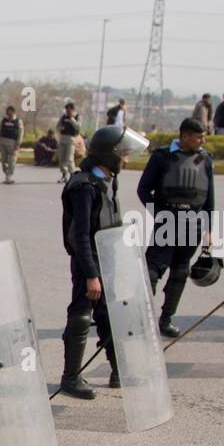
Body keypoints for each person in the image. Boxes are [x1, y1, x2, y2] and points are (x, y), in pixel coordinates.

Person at [55, 127, 150, 399]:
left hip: (107, 260)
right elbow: (80, 235)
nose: (126, 160)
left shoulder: (106, 181)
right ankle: (70, 377)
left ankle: (119, 370)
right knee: (81, 316)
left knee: (110, 316)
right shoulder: (84, 186)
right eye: (122, 154)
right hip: (89, 263)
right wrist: (91, 275)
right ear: (108, 156)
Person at [136, 117, 216, 337]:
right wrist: (160, 214)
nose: (202, 140)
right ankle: (139, 317)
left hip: (194, 226)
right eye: (199, 136)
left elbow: (209, 199)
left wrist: (209, 230)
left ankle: (166, 320)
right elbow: (143, 190)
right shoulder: (162, 157)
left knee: (180, 272)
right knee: (152, 271)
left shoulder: (205, 159)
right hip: (167, 222)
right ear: (185, 136)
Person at [0, 105, 24, 184]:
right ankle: (6, 174)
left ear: (14, 113)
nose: (9, 115)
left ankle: (9, 176)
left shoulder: (18, 121)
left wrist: (18, 143)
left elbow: (20, 133)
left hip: (13, 143)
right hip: (3, 142)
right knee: (4, 161)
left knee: (12, 161)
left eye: (10, 113)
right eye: (7, 113)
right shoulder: (4, 120)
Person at [56, 103, 80, 183]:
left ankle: (72, 176)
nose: (67, 112)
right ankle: (64, 176)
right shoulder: (63, 117)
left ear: (73, 110)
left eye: (69, 110)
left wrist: (72, 119)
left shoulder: (77, 117)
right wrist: (60, 128)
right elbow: (58, 126)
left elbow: (78, 127)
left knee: (69, 158)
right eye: (66, 110)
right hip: (63, 138)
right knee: (61, 158)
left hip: (71, 139)